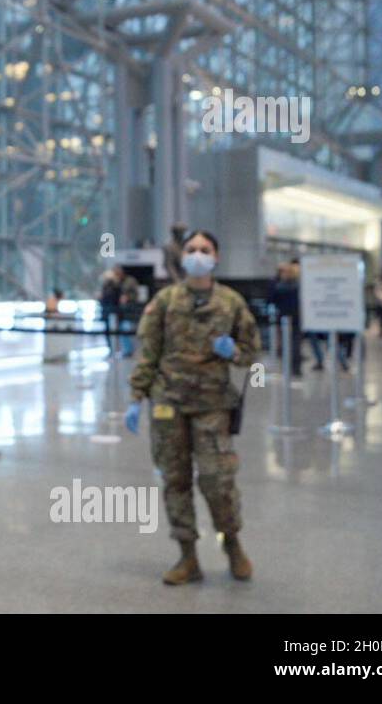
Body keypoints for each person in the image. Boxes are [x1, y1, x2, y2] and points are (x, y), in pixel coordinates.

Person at [125, 229, 260, 585]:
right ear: (182, 256)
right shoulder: (166, 300)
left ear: (216, 257)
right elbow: (149, 351)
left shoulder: (231, 303)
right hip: (168, 404)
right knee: (175, 480)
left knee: (218, 479)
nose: (197, 254)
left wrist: (237, 352)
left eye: (205, 249)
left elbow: (252, 350)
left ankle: (232, 544)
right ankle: (187, 556)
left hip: (212, 404)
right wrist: (136, 397)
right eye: (192, 249)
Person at [268, 260, 302, 377]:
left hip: (284, 316)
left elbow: (272, 299)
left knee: (286, 341)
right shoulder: (297, 286)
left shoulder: (279, 286)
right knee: (295, 342)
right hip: (297, 316)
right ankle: (296, 367)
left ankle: (288, 364)